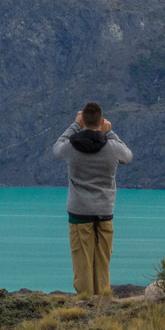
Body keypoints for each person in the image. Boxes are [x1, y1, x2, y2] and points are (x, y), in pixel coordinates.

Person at [52, 101, 132, 297]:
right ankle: (103, 304)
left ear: (83, 120)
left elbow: (57, 147)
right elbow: (128, 155)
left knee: (82, 262)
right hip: (104, 212)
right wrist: (109, 132)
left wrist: (75, 125)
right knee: (103, 262)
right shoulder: (112, 147)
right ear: (102, 121)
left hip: (79, 213)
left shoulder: (71, 147)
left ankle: (85, 303)